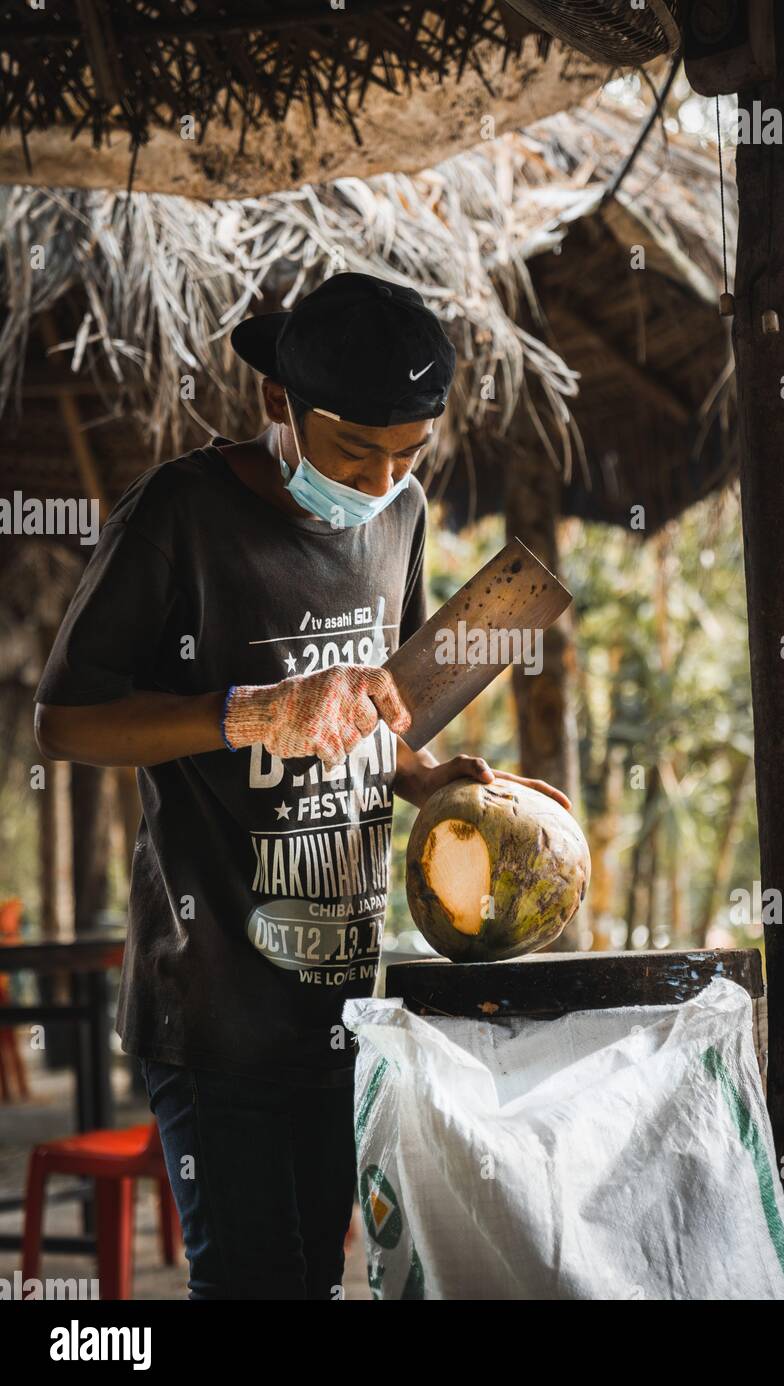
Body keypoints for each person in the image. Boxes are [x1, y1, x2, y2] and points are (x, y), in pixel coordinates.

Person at [33, 271, 570, 1300]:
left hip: (341, 997)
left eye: (406, 454)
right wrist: (242, 712)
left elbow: (377, 704)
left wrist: (424, 777)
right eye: (352, 450)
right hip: (213, 996)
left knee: (321, 1282)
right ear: (278, 403)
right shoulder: (179, 515)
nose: (377, 482)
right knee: (250, 1284)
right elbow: (64, 720)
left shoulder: (400, 516)